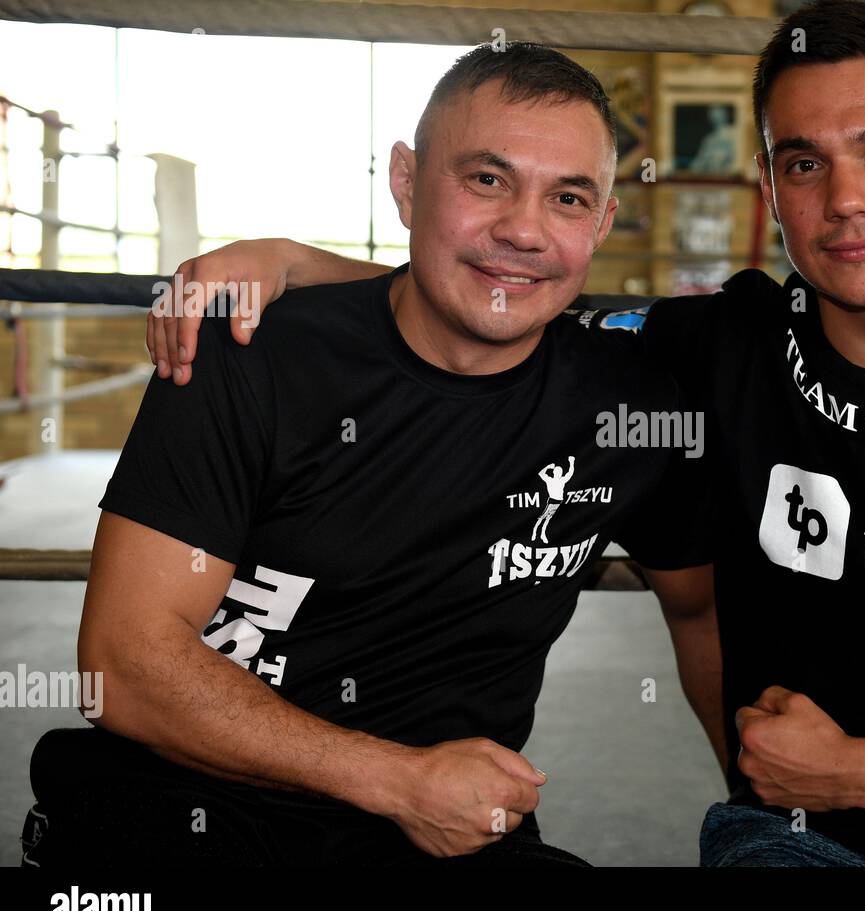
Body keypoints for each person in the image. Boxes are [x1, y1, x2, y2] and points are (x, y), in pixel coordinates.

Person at [148, 2, 865, 868]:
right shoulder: (714, 346)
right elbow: (501, 287)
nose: (845, 200)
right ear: (768, 184)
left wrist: (863, 768)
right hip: (805, 839)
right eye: (803, 162)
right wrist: (291, 263)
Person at [20, 42, 724, 868]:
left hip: (445, 838)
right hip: (182, 804)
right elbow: (124, 664)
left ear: (601, 222)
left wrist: (770, 810)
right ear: (405, 182)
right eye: (486, 180)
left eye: (567, 197)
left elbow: (699, 608)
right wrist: (395, 780)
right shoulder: (253, 352)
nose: (524, 229)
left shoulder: (628, 406)